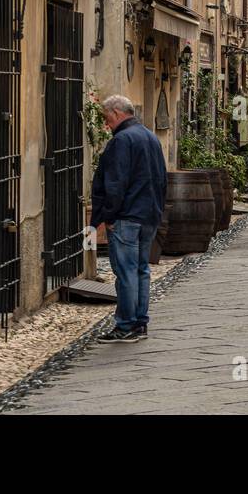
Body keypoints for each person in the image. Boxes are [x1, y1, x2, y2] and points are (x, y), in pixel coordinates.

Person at [90, 95, 167, 343]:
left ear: (116, 113)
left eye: (106, 119)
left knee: (125, 272)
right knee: (142, 270)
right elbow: (161, 178)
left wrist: (108, 216)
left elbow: (116, 183)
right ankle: (140, 323)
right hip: (149, 214)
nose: (106, 125)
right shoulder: (150, 137)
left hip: (127, 216)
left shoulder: (121, 141)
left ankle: (125, 326)